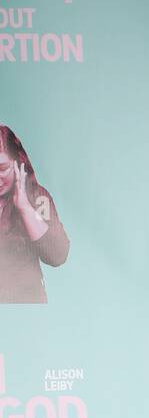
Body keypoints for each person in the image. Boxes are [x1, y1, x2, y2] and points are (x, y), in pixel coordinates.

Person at [0, 126, 70, 304]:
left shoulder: (38, 198)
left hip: (25, 306)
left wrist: (24, 207)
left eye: (2, 168)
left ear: (18, 164)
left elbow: (57, 255)